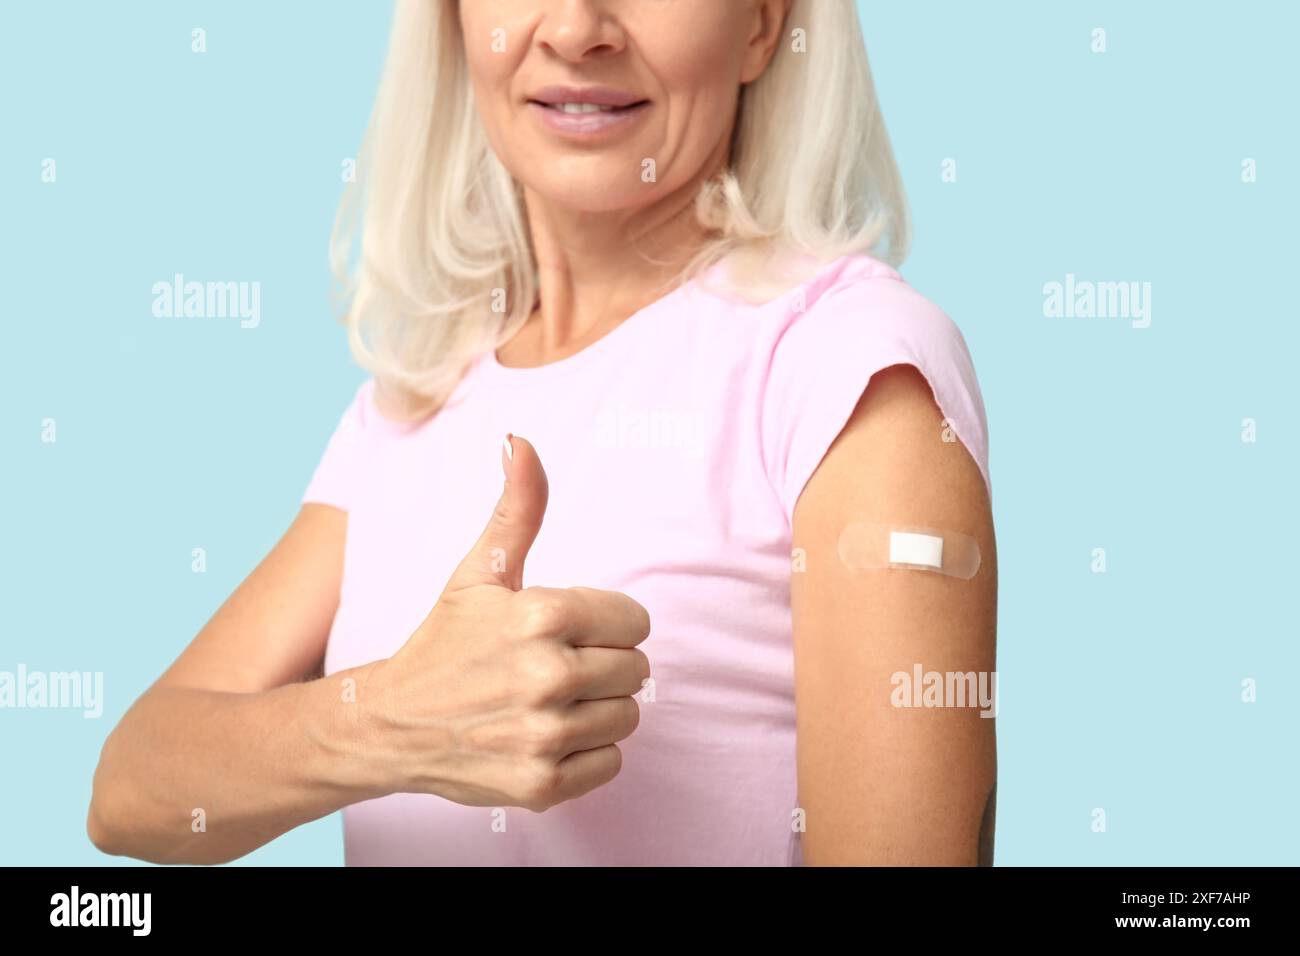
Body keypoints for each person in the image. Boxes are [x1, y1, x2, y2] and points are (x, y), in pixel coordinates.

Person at [88, 0, 997, 866]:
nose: (573, 29)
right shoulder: (409, 405)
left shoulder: (849, 368)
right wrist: (390, 721)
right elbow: (130, 788)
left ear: (762, 24)